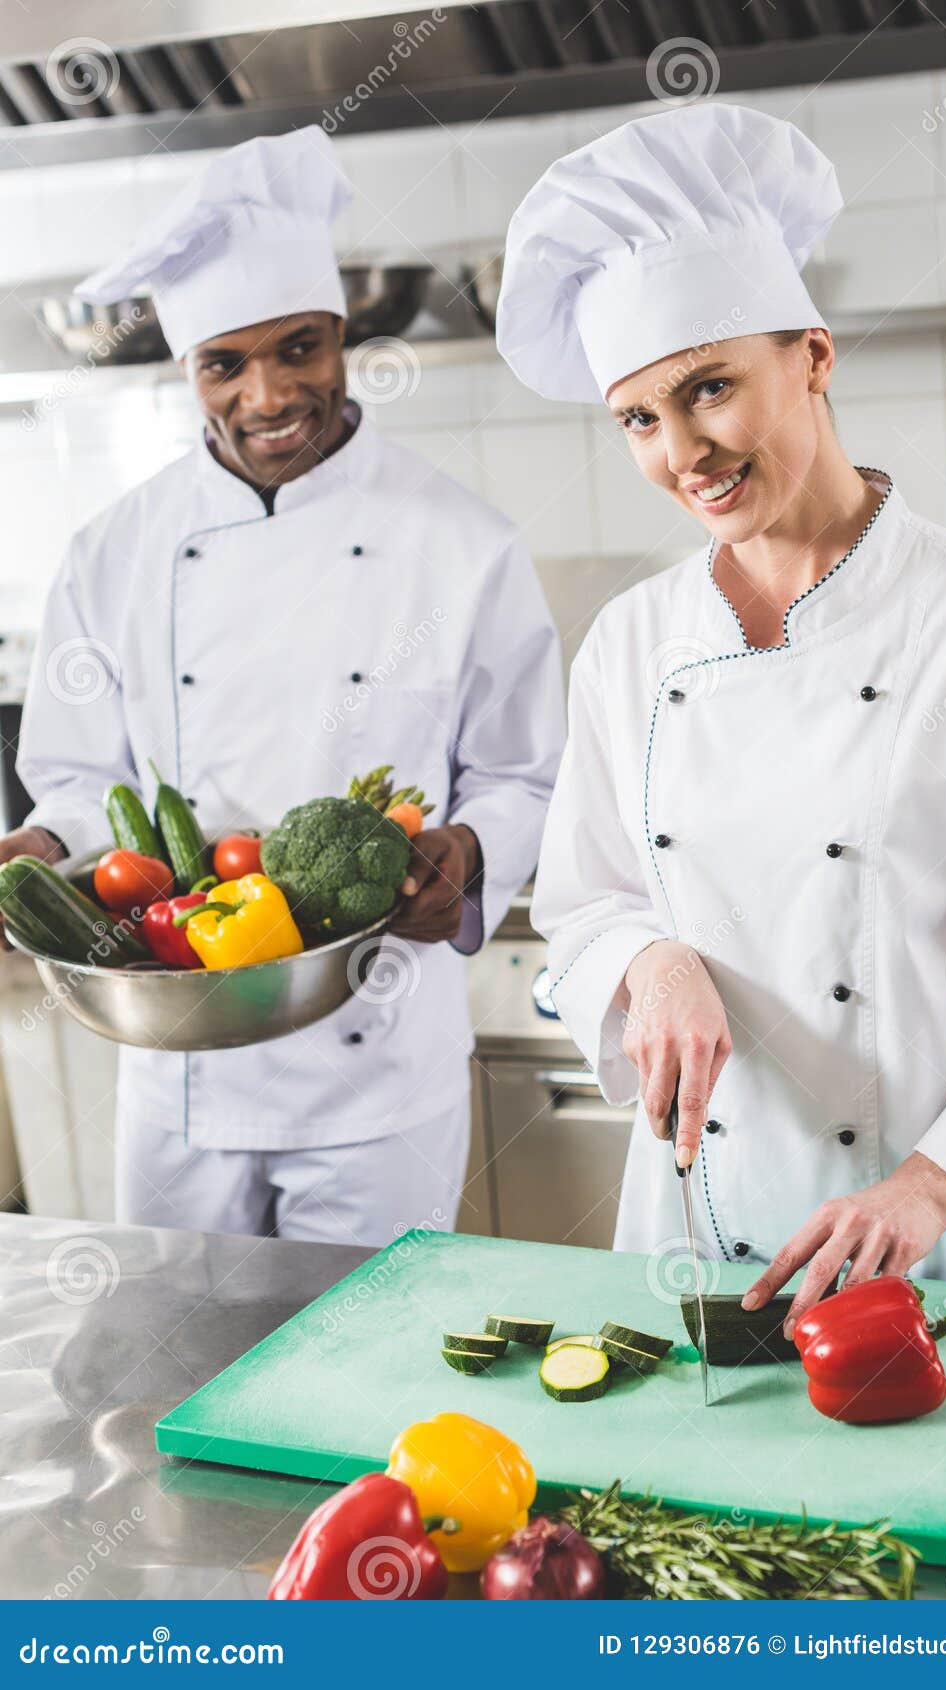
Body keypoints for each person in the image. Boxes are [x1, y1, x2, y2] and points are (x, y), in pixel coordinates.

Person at [495, 101, 946, 1326]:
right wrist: (649, 964)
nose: (682, 452)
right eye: (640, 419)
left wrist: (928, 1182)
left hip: (943, 1255)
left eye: (710, 389)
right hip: (701, 1249)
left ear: (813, 354)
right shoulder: (634, 644)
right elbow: (585, 903)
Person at [3, 126, 564, 1247]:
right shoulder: (114, 548)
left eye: (298, 348)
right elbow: (76, 781)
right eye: (225, 363)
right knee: (175, 1360)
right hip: (179, 1066)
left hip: (380, 1064)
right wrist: (42, 851)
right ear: (189, 371)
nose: (268, 393)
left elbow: (525, 773)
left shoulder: (463, 541)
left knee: (360, 1376)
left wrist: (462, 859)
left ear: (341, 337)